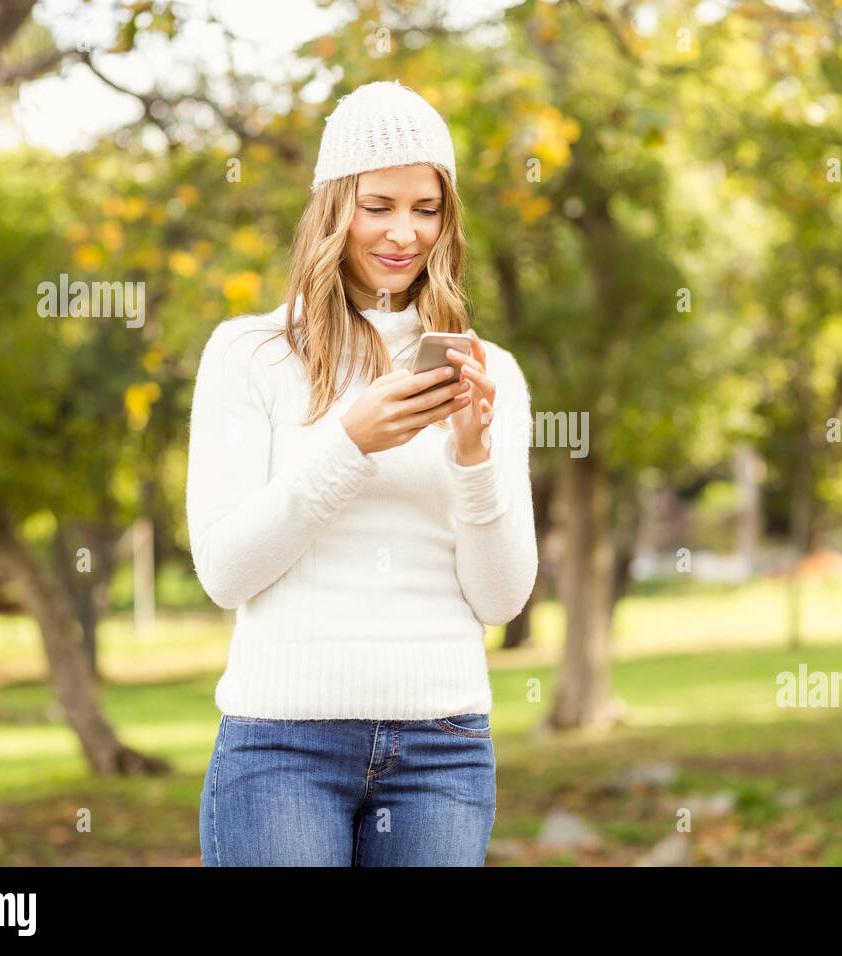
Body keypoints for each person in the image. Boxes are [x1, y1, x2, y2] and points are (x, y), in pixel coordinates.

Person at [186, 80, 538, 866]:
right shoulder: (250, 355)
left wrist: (474, 458)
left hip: (442, 750)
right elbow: (225, 571)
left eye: (426, 208)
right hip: (282, 747)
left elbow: (501, 599)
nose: (404, 233)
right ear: (334, 206)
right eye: (378, 205)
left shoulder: (491, 374)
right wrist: (350, 443)